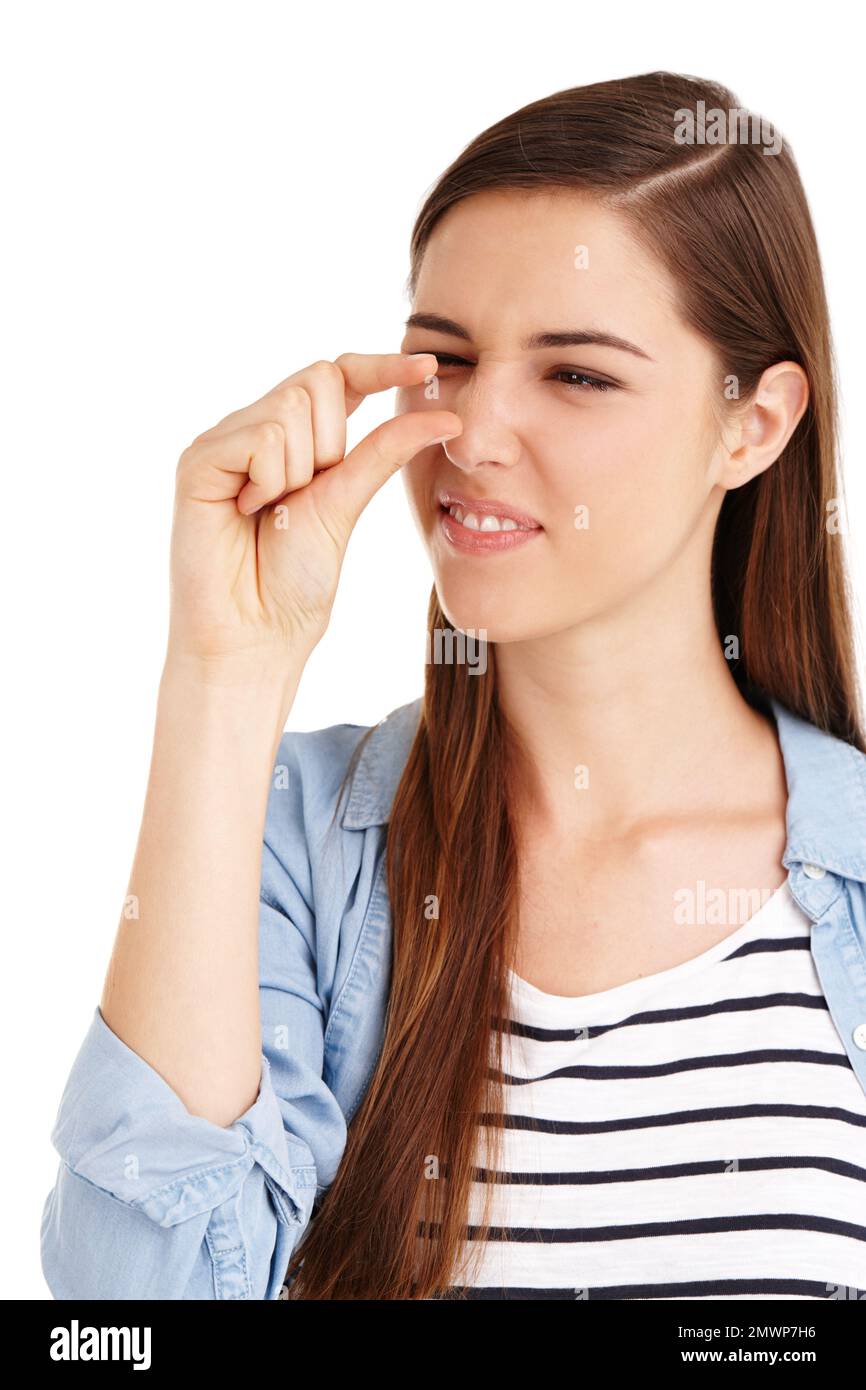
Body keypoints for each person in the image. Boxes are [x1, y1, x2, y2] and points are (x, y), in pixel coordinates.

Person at [42, 71, 866, 1301]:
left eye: (575, 374)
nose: (474, 433)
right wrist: (228, 665)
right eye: (446, 357)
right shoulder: (298, 842)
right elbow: (133, 1308)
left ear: (749, 425)